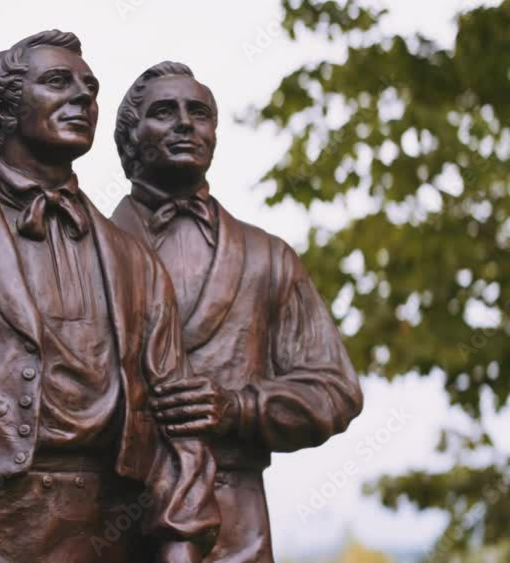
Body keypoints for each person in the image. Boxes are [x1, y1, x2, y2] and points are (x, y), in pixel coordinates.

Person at [0, 31, 219, 563]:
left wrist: (181, 545)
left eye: (90, 88)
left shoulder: (136, 262)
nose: (83, 98)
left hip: (105, 537)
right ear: (5, 107)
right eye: (57, 82)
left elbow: (177, 428)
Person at [111, 62, 364, 563]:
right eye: (165, 112)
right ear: (128, 141)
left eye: (199, 113)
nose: (186, 123)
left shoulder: (268, 256)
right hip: (112, 520)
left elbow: (335, 389)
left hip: (235, 524)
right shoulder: (85, 249)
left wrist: (237, 407)